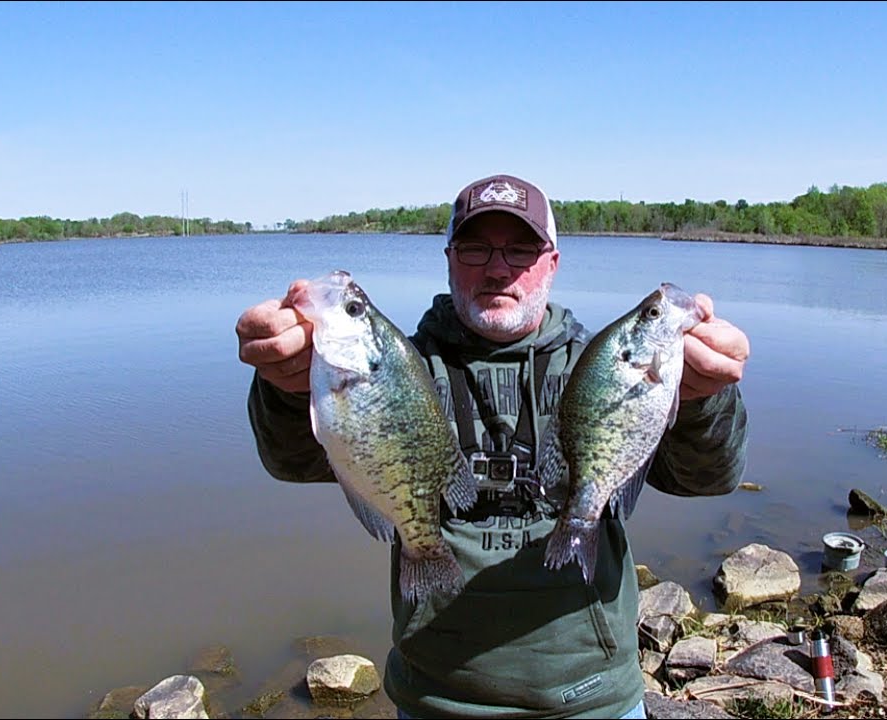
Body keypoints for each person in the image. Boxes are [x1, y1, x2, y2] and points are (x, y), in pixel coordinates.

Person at [235, 173, 750, 719]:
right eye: (475, 247)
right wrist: (287, 386)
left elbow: (706, 478)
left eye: (521, 249)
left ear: (551, 263)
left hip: (592, 699)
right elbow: (292, 460)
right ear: (450, 258)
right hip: (435, 697)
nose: (498, 268)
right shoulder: (404, 368)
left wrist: (701, 399)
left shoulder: (599, 367)